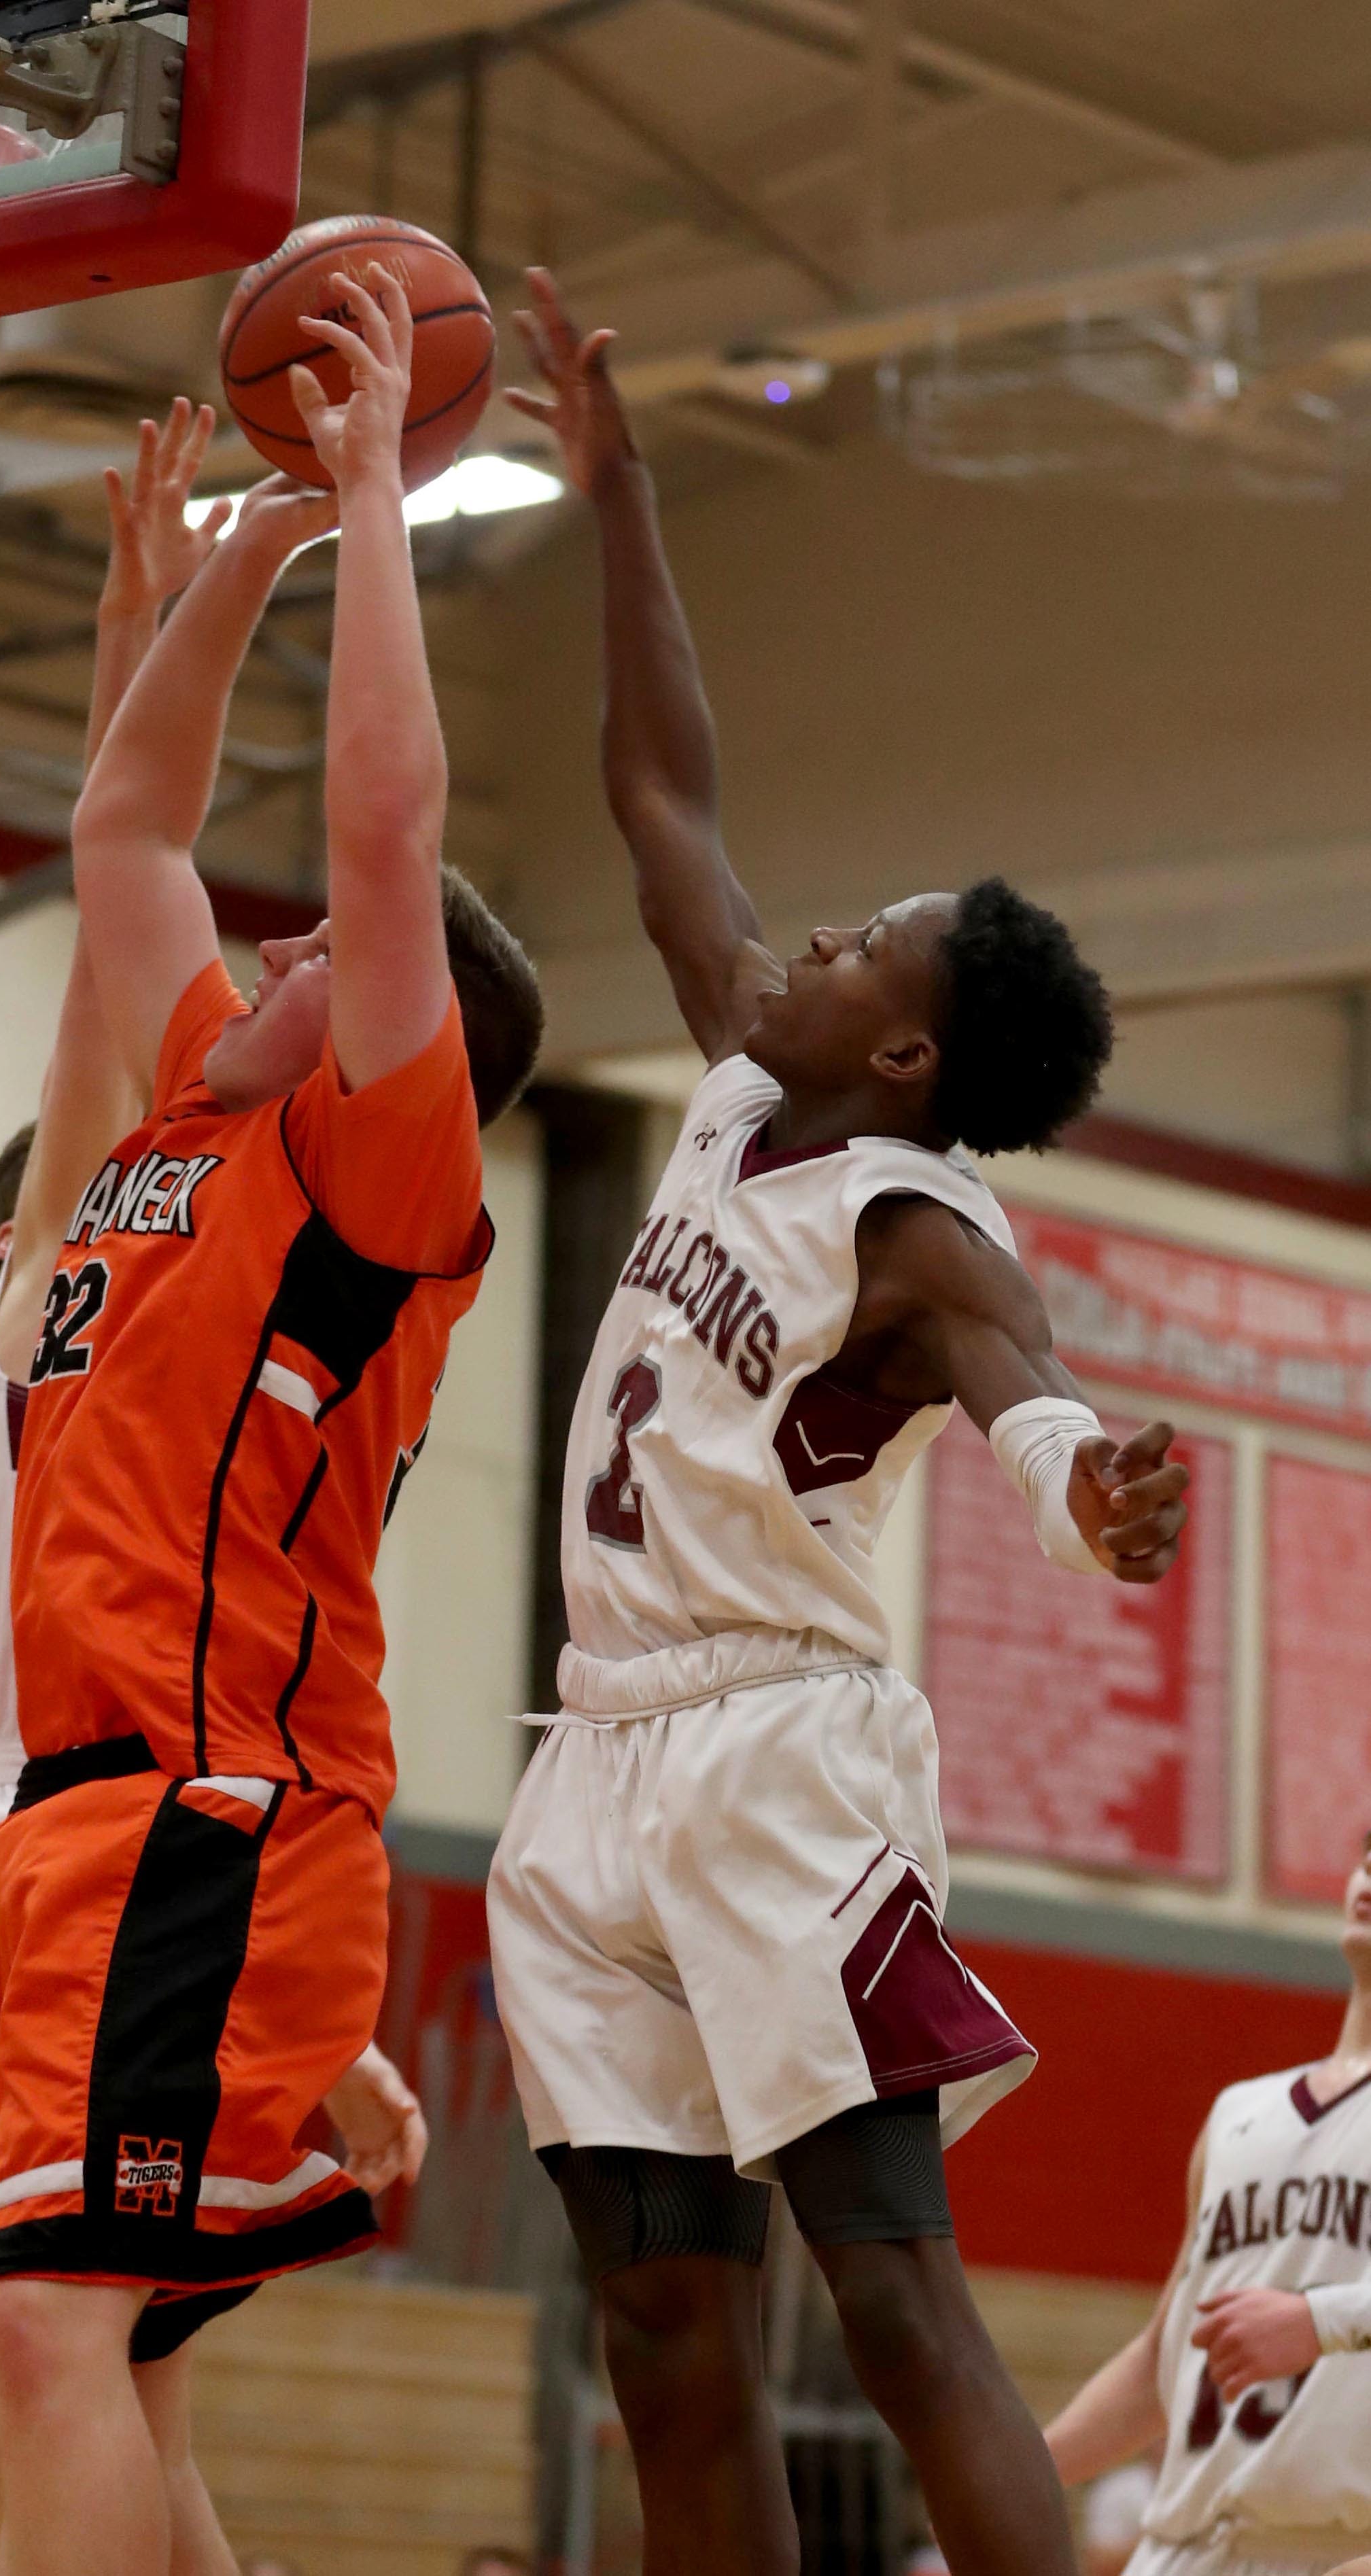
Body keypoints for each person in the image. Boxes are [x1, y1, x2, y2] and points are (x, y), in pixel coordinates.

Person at [485, 269, 1191, 2576]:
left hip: (783, 1760)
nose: (800, 950)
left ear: (904, 1055)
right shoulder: (732, 1070)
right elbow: (664, 789)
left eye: (856, 953)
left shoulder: (916, 1225)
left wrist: (1089, 1485)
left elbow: (1022, 1393)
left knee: (889, 2309)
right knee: (662, 2346)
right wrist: (626, 497)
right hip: (590, 1757)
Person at [0, 263, 542, 2576]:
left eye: (323, 960)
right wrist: (255, 548)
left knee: (53, 2345)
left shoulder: (376, 1166)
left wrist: (384, 499)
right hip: (66, 1825)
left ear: (409, 1041)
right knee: (91, 2362)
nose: (282, 947)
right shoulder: (193, 1107)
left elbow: (386, 831)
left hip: (216, 1811)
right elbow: (119, 827)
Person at [0, 404, 429, 2576]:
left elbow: (159, 895)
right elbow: (116, 910)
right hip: (46, 1841)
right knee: (68, 2388)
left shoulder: (119, 1284)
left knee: (16, 2404)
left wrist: (198, 588)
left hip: (37, 1845)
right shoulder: (102, 1239)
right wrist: (205, 577)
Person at [1044, 1834, 1371, 2576]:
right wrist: (1023, 2470)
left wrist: (1319, 2319)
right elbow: (1164, 2359)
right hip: (1177, 2551)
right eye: (1369, 1851)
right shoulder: (1237, 2113)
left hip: (1328, 2550)